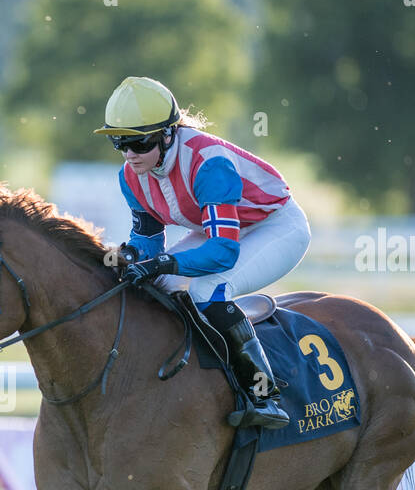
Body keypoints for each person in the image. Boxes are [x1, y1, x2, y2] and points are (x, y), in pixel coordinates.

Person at [95, 76, 311, 429]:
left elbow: (222, 253)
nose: (129, 154)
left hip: (275, 227)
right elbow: (148, 242)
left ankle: (264, 393)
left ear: (168, 135)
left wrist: (162, 262)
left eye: (139, 142)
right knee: (157, 285)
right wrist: (128, 258)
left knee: (206, 290)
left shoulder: (209, 164)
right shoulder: (130, 175)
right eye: (119, 142)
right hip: (218, 231)